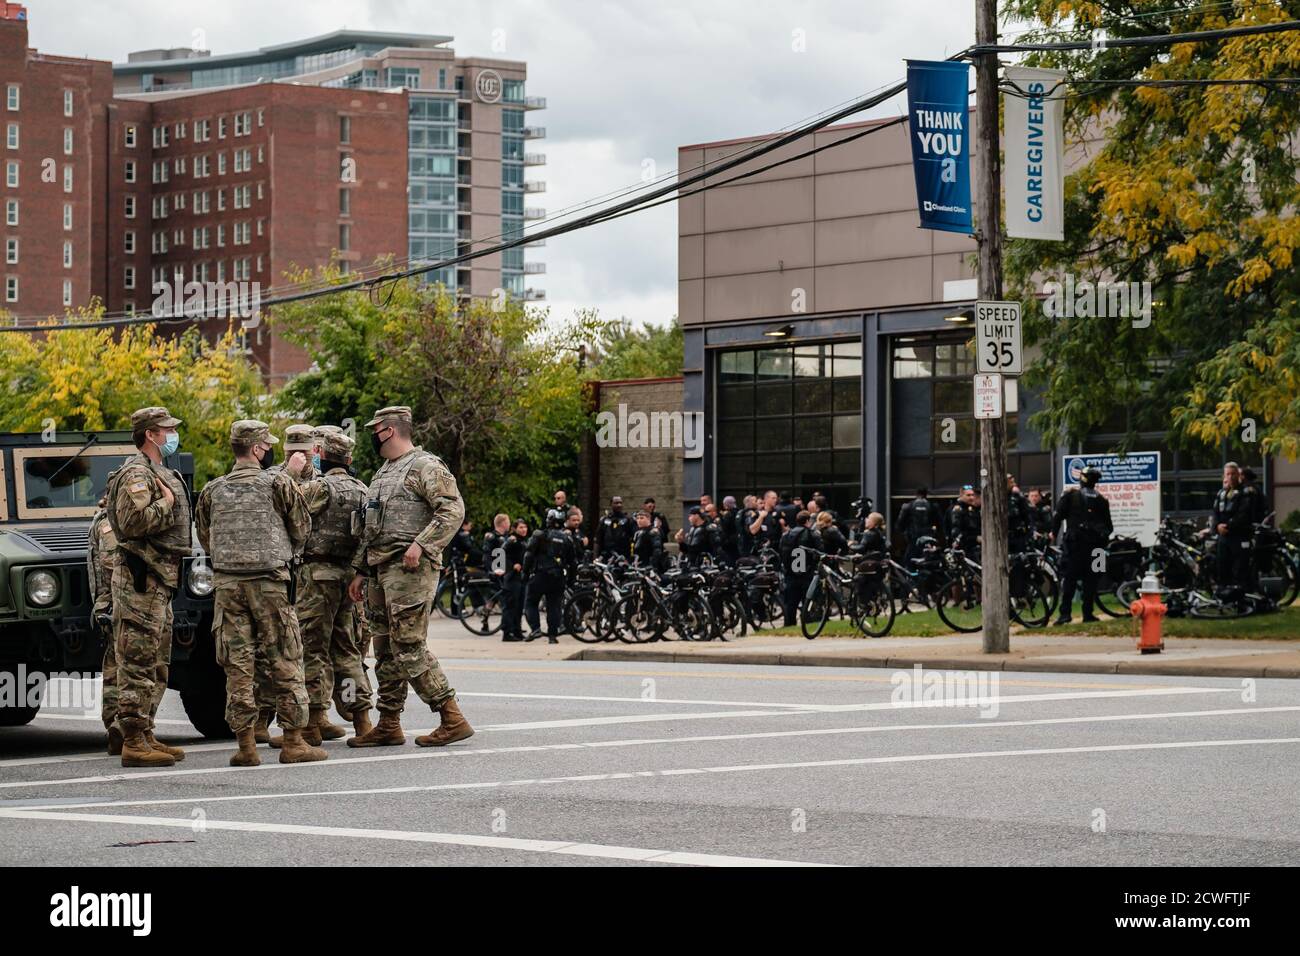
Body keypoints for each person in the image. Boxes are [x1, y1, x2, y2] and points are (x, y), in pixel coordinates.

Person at [196, 419, 323, 766]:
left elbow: (206, 538)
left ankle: (246, 745)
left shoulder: (213, 489)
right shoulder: (278, 483)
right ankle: (294, 742)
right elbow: (301, 528)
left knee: (238, 667)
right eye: (266, 446)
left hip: (227, 587)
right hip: (269, 584)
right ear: (255, 449)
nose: (269, 451)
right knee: (285, 658)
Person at [346, 406, 473, 749]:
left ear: (389, 431)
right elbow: (371, 528)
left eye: (375, 430)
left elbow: (452, 509)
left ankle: (451, 716)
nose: (372, 436)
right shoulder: (384, 473)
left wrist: (421, 544)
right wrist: (360, 570)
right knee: (385, 648)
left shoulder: (425, 466)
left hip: (410, 570)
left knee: (408, 646)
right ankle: (388, 723)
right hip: (380, 570)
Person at [102, 406, 192, 768]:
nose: (173, 434)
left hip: (159, 579)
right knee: (137, 659)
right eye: (167, 429)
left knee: (156, 659)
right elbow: (133, 521)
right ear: (151, 434)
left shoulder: (157, 471)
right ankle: (133, 739)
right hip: (141, 578)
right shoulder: (136, 473)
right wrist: (165, 504)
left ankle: (146, 732)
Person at [289, 429, 374, 744]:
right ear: (349, 459)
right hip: (348, 577)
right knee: (347, 649)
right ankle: (361, 717)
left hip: (317, 576)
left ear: (321, 457)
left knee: (311, 649)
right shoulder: (363, 490)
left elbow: (287, 503)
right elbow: (370, 535)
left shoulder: (320, 487)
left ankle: (312, 721)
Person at [1051, 466, 1113, 625]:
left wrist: (1052, 534)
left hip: (1075, 546)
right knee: (1092, 581)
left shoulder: (1070, 496)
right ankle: (1088, 614)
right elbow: (1109, 527)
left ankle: (1065, 614)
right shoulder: (1102, 500)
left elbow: (1057, 517)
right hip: (1097, 547)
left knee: (1069, 579)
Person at [87, 495, 120, 754]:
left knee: (114, 664)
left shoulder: (101, 521)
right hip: (124, 602)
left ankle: (114, 725)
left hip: (108, 603)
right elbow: (111, 564)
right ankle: (131, 727)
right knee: (142, 668)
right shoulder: (113, 523)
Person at [524, 508, 577, 643]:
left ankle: (535, 629)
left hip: (540, 574)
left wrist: (525, 573)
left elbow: (528, 555)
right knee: (554, 606)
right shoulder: (567, 539)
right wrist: (571, 580)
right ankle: (552, 636)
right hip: (558, 577)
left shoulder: (540, 535)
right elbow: (573, 562)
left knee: (530, 602)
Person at [1210, 462, 1253, 591]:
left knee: (1239, 569)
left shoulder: (1245, 492)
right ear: (1224, 476)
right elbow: (1215, 513)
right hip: (1223, 538)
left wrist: (1227, 526)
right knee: (1222, 567)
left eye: (1233, 474)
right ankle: (1224, 597)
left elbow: (1243, 514)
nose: (1231, 477)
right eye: (1228, 474)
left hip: (1239, 536)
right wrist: (1217, 526)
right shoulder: (1221, 494)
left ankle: (1241, 600)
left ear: (1238, 475)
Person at [779, 510, 820, 626]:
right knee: (807, 599)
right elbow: (819, 552)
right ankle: (807, 622)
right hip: (806, 573)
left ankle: (789, 624)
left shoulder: (786, 535)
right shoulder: (812, 534)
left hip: (790, 573)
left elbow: (781, 553)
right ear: (807, 521)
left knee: (790, 602)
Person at [499, 518, 529, 642]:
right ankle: (507, 632)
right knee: (510, 605)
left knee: (519, 606)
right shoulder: (512, 540)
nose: (524, 530)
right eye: (521, 527)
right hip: (512, 578)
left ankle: (517, 630)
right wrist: (511, 566)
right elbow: (500, 554)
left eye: (525, 527)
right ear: (515, 529)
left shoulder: (523, 541)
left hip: (521, 578)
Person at [897, 487, 940, 563]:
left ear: (916, 494)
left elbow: (900, 523)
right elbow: (939, 522)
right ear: (926, 494)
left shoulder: (908, 506)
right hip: (928, 537)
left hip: (913, 537)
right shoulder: (933, 506)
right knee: (928, 559)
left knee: (910, 559)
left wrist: (902, 533)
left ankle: (911, 573)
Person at [947, 485, 981, 560]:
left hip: (973, 548)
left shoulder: (972, 509)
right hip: (963, 549)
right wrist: (975, 538)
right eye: (968, 495)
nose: (971, 497)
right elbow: (956, 533)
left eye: (972, 495)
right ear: (961, 495)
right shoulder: (957, 510)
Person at [595, 495, 634, 561]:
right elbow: (598, 540)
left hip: (623, 555)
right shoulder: (604, 520)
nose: (619, 505)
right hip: (606, 555)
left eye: (620, 503)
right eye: (616, 503)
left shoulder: (628, 520)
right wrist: (595, 557)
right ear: (611, 504)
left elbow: (633, 538)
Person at [749, 490, 784, 554]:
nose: (775, 500)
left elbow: (786, 531)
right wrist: (761, 517)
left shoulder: (779, 513)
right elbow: (753, 531)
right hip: (762, 548)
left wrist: (783, 525)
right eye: (773, 498)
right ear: (766, 499)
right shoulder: (757, 514)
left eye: (776, 498)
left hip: (776, 547)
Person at [1007, 474, 1032, 554]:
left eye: (1013, 482)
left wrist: (1029, 532)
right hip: (1002, 537)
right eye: (1011, 483)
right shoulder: (996, 497)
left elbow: (1026, 515)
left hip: (1017, 536)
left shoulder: (1017, 497)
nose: (1013, 485)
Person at [718, 495, 741, 565]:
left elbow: (724, 528)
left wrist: (721, 519)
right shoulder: (739, 512)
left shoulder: (727, 515)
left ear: (726, 505)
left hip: (729, 543)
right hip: (738, 541)